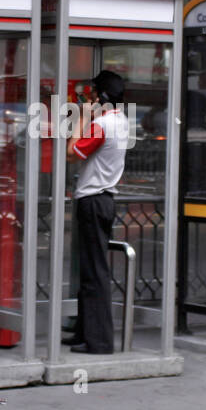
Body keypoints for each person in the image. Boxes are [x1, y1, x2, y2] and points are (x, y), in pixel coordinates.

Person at [66, 70, 129, 354]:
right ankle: (83, 332)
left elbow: (72, 152)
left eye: (91, 93)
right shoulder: (121, 121)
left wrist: (82, 117)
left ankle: (99, 341)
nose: (88, 98)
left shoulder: (101, 125)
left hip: (92, 200)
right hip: (104, 199)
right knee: (89, 268)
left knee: (94, 271)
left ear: (101, 97)